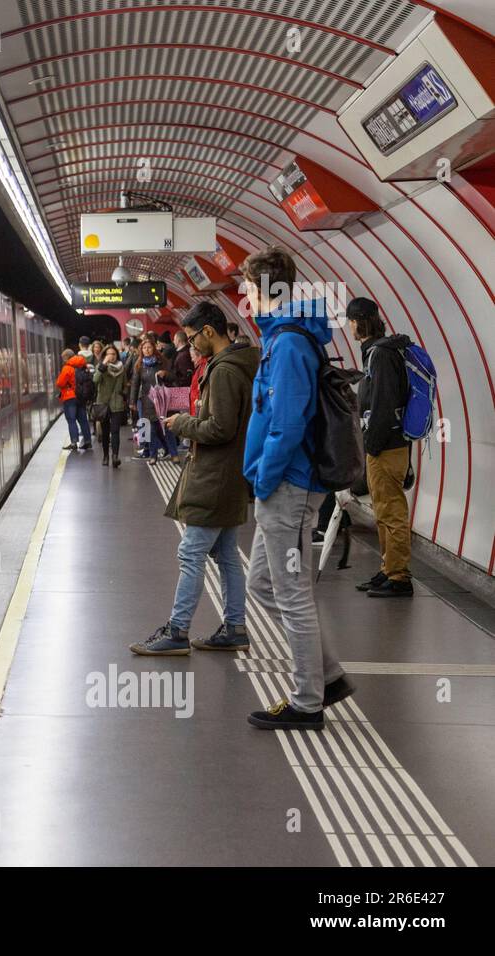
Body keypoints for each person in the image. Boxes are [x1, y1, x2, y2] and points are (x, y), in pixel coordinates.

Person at [240, 246, 352, 730]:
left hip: (288, 485)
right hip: (282, 485)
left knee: (291, 594)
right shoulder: (282, 338)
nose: (243, 295)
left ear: (265, 289)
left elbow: (287, 423)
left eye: (246, 286)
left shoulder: (287, 344)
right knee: (263, 584)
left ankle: (308, 702)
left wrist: (264, 477)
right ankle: (326, 676)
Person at [131, 302, 260, 655]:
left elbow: (220, 428)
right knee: (227, 555)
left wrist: (182, 423)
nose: (188, 347)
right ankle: (235, 626)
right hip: (230, 474)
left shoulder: (224, 372)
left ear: (208, 332)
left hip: (214, 475)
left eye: (191, 339)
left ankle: (177, 631)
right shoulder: (238, 366)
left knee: (191, 553)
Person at [351, 297, 414, 598]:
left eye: (351, 320)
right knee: (383, 510)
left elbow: (384, 403)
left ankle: (399, 577)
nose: (348, 326)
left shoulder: (381, 355)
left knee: (391, 511)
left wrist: (372, 445)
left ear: (359, 321)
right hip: (387, 444)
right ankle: (388, 568)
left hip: (386, 446)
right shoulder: (378, 353)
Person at [128, 339, 178, 462]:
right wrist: (132, 401)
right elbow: (135, 384)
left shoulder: (163, 362)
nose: (147, 350)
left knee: (166, 427)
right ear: (141, 350)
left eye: (149, 347)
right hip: (147, 401)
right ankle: (153, 455)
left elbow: (173, 377)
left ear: (154, 348)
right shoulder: (139, 365)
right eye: (144, 348)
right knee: (151, 430)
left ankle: (174, 454)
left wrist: (165, 374)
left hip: (162, 400)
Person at [91, 345, 127, 467]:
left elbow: (125, 384)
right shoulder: (101, 367)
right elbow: (95, 380)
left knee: (115, 431)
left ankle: (115, 456)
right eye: (109, 354)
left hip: (117, 403)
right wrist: (103, 365)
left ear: (117, 355)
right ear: (105, 355)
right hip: (104, 404)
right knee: (105, 432)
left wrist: (123, 394)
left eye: (113, 354)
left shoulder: (122, 368)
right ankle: (106, 455)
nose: (111, 356)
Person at [55, 349, 93, 451]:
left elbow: (60, 383)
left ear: (66, 357)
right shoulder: (83, 365)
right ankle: (88, 441)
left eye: (63, 358)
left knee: (71, 420)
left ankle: (73, 442)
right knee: (83, 420)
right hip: (81, 396)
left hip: (69, 397)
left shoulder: (67, 368)